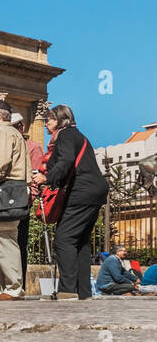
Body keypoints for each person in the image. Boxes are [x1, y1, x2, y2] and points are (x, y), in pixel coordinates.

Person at [31, 105, 107, 301]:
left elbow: (66, 161)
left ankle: (68, 291)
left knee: (64, 239)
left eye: (48, 120)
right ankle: (83, 292)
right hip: (95, 191)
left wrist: (45, 178)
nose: (45, 124)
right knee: (80, 241)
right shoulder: (78, 136)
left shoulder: (65, 135)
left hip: (80, 192)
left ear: (59, 120)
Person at [0, 102, 31, 299]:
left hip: (6, 189)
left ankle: (12, 288)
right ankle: (4, 287)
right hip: (13, 190)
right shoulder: (14, 133)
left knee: (4, 238)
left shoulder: (3, 132)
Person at [11, 112, 41, 275]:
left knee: (20, 242)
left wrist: (30, 199)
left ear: (22, 127)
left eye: (16, 126)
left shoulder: (32, 147)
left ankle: (19, 283)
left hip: (22, 200)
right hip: (2, 199)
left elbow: (35, 176)